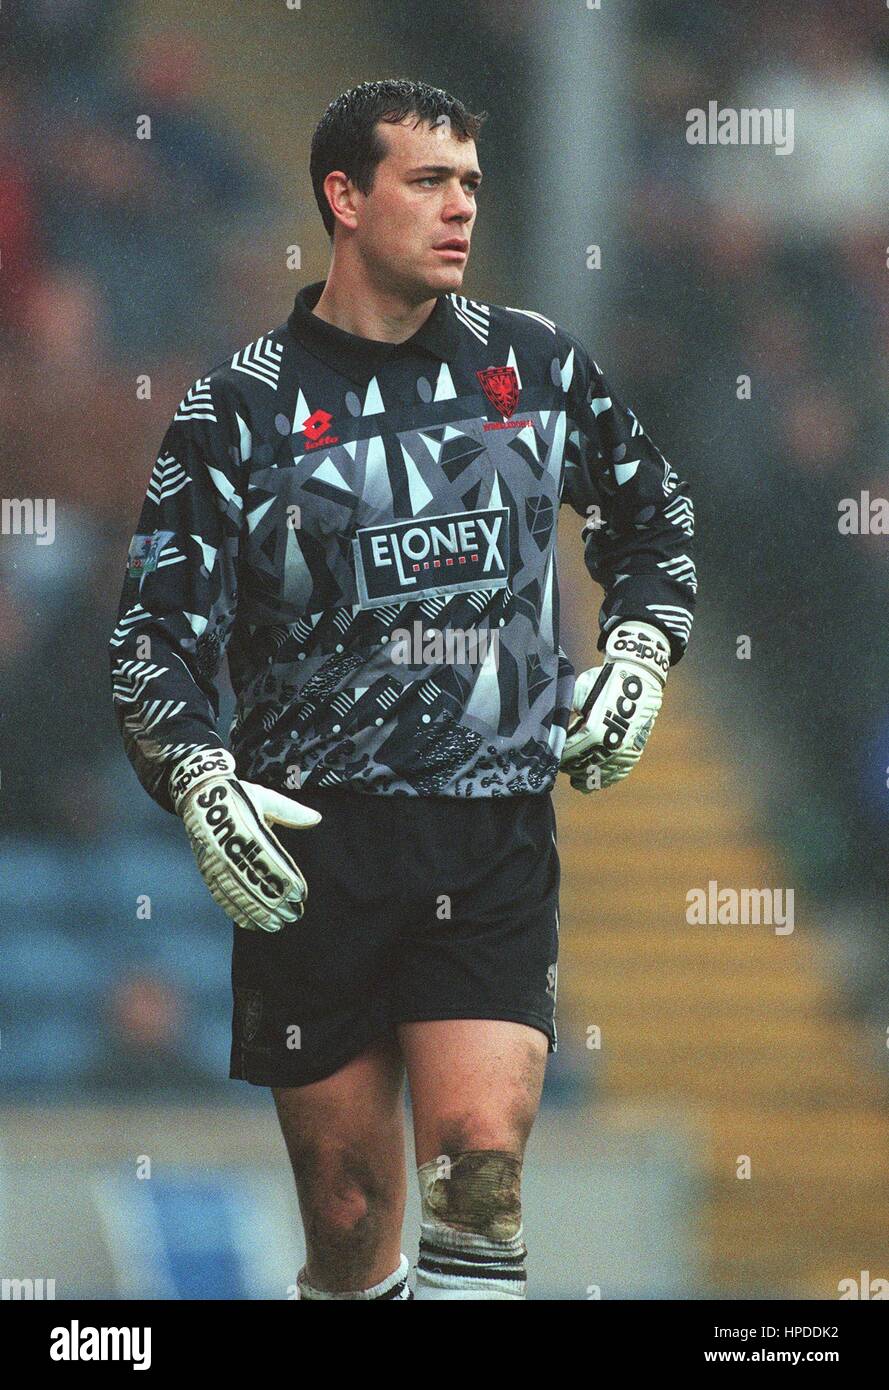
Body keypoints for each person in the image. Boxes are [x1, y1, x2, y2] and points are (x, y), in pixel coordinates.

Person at [109, 78, 696, 1300]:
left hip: (489, 836)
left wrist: (640, 648)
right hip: (312, 850)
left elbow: (655, 519)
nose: (459, 209)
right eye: (428, 181)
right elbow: (155, 635)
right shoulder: (241, 407)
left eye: (471, 184)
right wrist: (199, 777)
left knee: (478, 1172)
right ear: (343, 196)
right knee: (348, 1211)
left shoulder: (534, 365)